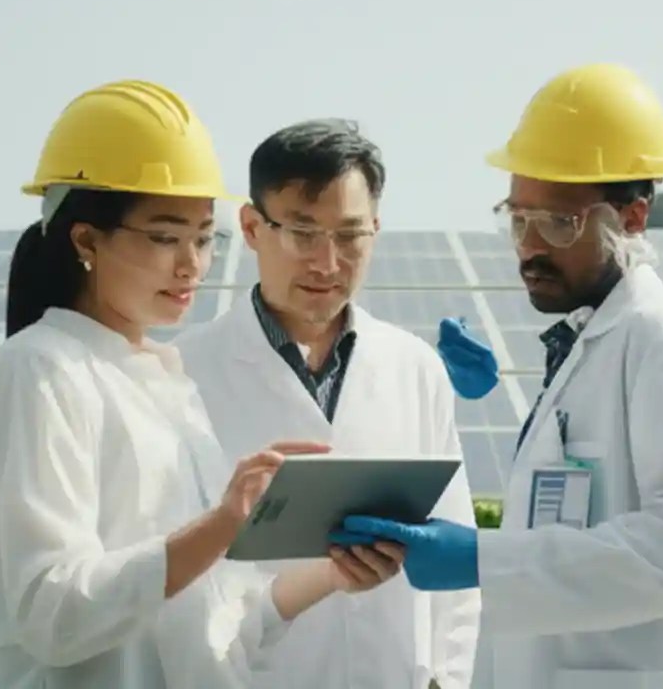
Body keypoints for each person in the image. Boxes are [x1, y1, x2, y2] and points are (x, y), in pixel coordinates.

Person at [0, 80, 406, 689]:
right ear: (85, 239)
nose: (191, 263)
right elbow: (52, 613)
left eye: (203, 238)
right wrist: (221, 525)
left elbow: (219, 627)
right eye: (165, 237)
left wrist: (335, 571)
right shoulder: (38, 371)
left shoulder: (164, 381)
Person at [334, 64, 663, 688]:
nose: (529, 246)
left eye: (559, 223)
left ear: (635, 216)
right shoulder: (589, 344)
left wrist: (482, 559)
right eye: (517, 218)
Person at [174, 118, 482, 689]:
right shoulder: (183, 376)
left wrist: (448, 677)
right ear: (250, 226)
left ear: (376, 230)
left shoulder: (414, 367)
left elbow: (456, 559)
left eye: (349, 235)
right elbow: (175, 574)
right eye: (302, 231)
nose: (327, 262)